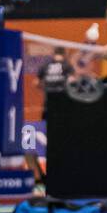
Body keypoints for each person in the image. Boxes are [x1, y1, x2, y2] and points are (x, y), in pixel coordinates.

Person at [26, 48, 73, 196]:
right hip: (65, 110)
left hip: (48, 108)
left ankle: (43, 180)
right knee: (63, 144)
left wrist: (48, 88)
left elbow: (36, 83)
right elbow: (72, 82)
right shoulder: (66, 66)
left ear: (54, 54)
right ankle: (62, 178)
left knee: (49, 146)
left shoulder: (45, 66)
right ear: (64, 54)